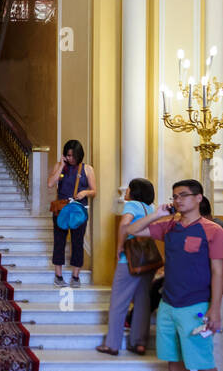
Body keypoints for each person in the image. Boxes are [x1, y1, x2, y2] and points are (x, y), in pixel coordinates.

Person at [127, 178, 223, 371]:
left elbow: (218, 272)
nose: (178, 200)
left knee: (203, 360)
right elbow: (133, 230)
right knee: (174, 357)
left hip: (195, 306)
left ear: (198, 198)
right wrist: (156, 214)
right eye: (174, 196)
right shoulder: (169, 226)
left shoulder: (213, 231)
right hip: (168, 303)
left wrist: (215, 309)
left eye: (183, 195)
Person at [96, 178, 156, 356]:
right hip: (148, 261)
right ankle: (139, 343)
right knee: (143, 302)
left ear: (135, 191)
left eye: (128, 188)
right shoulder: (150, 208)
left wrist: (120, 246)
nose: (126, 192)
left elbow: (124, 224)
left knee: (118, 301)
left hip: (129, 260)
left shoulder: (132, 206)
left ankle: (112, 344)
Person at [48, 140, 96, 285]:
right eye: (68, 155)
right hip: (61, 209)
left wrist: (85, 192)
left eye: (73, 156)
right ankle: (58, 275)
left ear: (79, 155)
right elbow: (50, 183)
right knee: (59, 241)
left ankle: (76, 276)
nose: (70, 158)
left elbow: (94, 191)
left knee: (77, 242)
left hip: (78, 211)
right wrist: (61, 165)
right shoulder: (60, 166)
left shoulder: (87, 169)